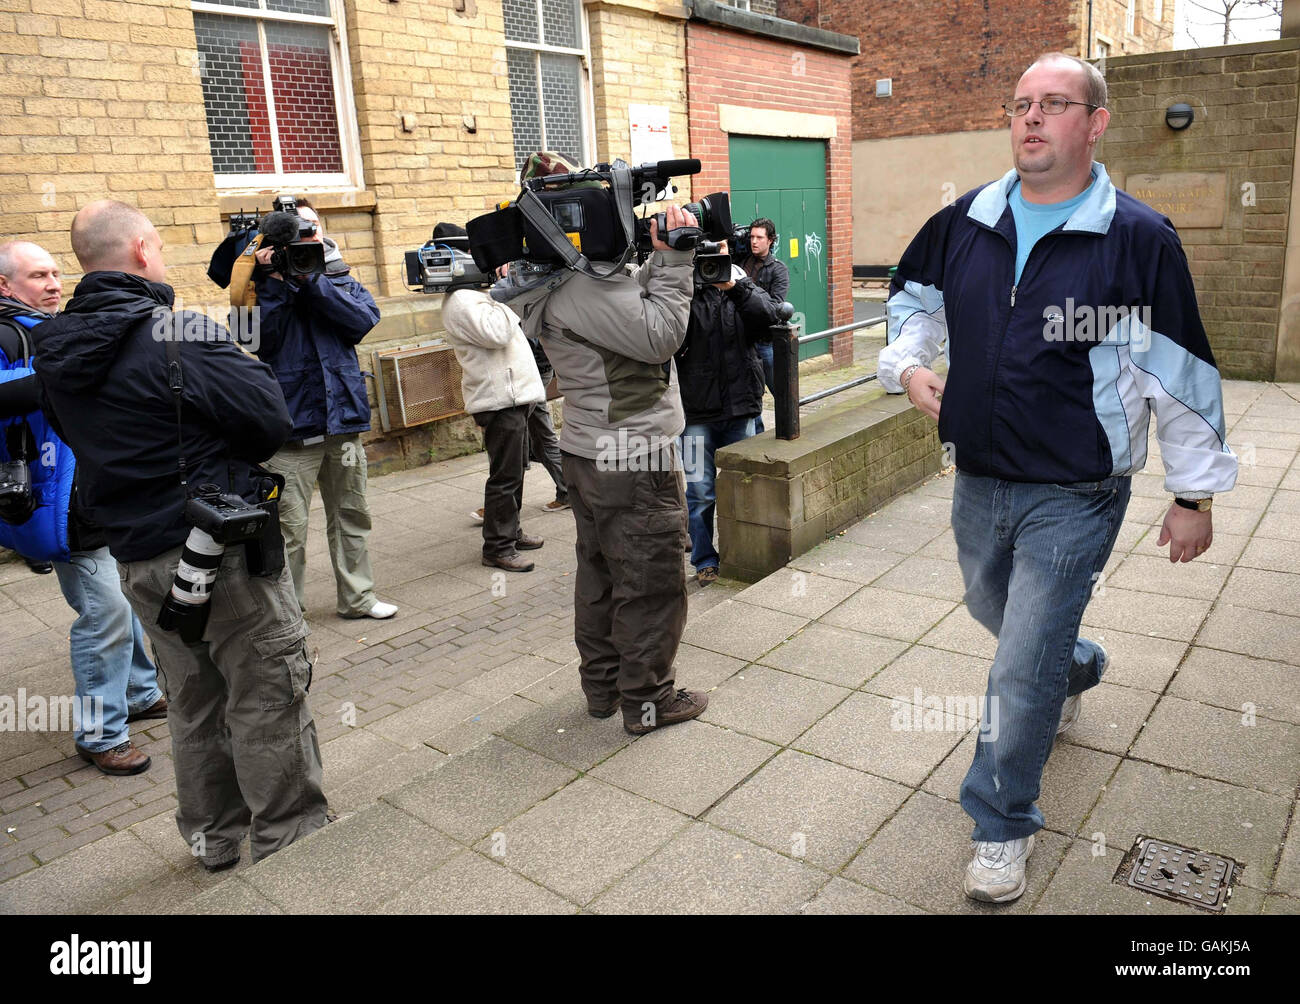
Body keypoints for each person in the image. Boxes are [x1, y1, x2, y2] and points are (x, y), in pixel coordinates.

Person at [878, 53, 1237, 904]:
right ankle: (1073, 664)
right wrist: (908, 365)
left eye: (1053, 105)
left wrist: (1193, 496)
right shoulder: (968, 219)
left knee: (1014, 668)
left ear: (1096, 122)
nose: (1031, 119)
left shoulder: (1138, 239)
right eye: (1020, 105)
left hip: (1078, 488)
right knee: (1000, 621)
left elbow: (1181, 374)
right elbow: (912, 294)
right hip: (979, 474)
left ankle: (1001, 823)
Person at [33, 200, 329, 869]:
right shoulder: (178, 332)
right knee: (265, 694)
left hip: (137, 555)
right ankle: (292, 846)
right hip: (219, 551)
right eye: (160, 248)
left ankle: (213, 840)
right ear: (141, 250)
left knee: (193, 702)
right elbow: (266, 423)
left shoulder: (53, 347)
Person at [501, 151, 708, 736]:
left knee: (601, 575)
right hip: (633, 454)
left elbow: (619, 304)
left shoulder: (558, 278)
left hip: (591, 450)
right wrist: (674, 261)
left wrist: (657, 263)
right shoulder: (583, 289)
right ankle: (648, 700)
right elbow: (660, 334)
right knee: (649, 578)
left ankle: (604, 690)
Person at [0, 239, 164, 776]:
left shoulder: (57, 328)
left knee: (118, 596)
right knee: (104, 613)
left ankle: (139, 693)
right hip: (57, 503)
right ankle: (100, 733)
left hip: (92, 490)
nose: (52, 283)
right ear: (5, 285)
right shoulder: (10, 335)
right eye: (36, 276)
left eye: (54, 273)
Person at [253, 200, 397, 620]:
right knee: (288, 528)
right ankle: (288, 612)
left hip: (343, 423)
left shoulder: (340, 277)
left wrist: (311, 281)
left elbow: (362, 322)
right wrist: (276, 283)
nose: (309, 238)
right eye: (298, 232)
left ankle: (358, 597)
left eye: (313, 227)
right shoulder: (259, 286)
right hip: (292, 428)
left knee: (352, 512)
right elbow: (258, 341)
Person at [438, 229, 548, 572]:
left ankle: (510, 532)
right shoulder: (461, 301)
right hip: (499, 400)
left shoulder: (476, 295)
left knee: (514, 473)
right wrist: (507, 294)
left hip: (514, 397)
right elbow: (498, 333)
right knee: (504, 477)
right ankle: (497, 548)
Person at [676, 251, 778, 586]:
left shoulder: (742, 284)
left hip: (741, 408)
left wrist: (734, 286)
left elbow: (769, 317)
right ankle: (705, 560)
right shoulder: (681, 289)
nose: (712, 262)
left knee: (743, 488)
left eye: (718, 252)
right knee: (700, 491)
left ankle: (743, 555)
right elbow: (670, 337)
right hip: (694, 413)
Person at [740, 218, 789, 434]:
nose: (754, 242)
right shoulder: (741, 263)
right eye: (751, 237)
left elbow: (774, 308)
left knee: (779, 389)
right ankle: (757, 433)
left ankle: (788, 425)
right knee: (750, 391)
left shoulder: (778, 270)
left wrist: (746, 296)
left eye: (759, 237)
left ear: (770, 240)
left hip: (766, 342)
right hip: (743, 340)